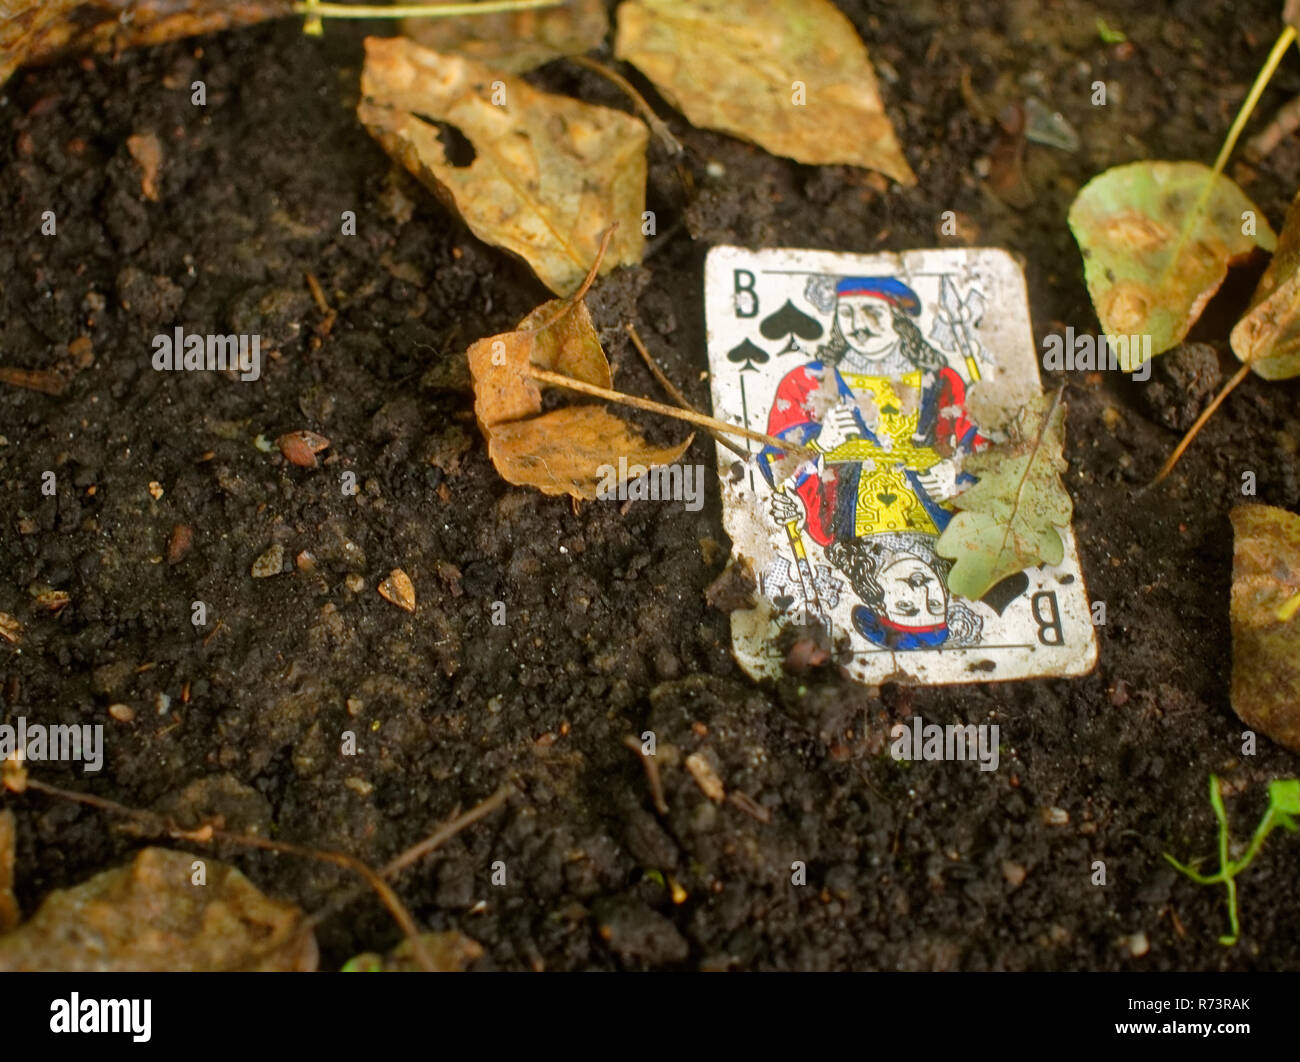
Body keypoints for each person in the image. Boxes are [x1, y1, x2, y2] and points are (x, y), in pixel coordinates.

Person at [759, 275, 986, 649]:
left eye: (906, 606)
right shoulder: (809, 381)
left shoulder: (940, 381)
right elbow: (977, 448)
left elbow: (779, 473)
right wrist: (957, 478)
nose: (858, 325)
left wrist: (816, 448)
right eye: (847, 313)